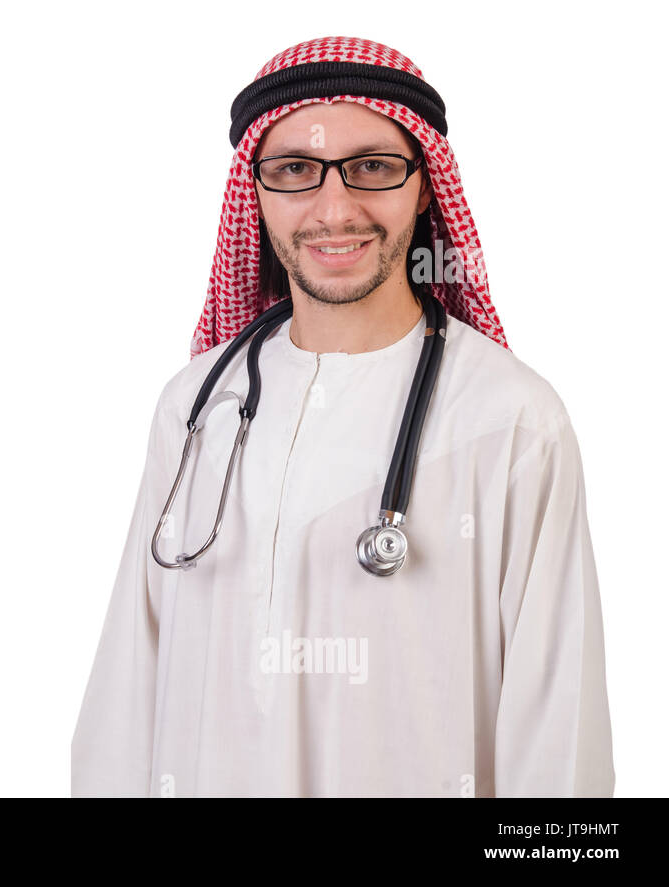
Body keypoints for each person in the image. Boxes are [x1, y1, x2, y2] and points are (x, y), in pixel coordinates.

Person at [71, 36, 614, 797]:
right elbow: (128, 696)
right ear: (254, 191)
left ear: (425, 187)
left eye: (373, 167)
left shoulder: (512, 424)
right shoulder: (194, 408)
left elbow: (560, 739)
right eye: (295, 170)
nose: (335, 209)